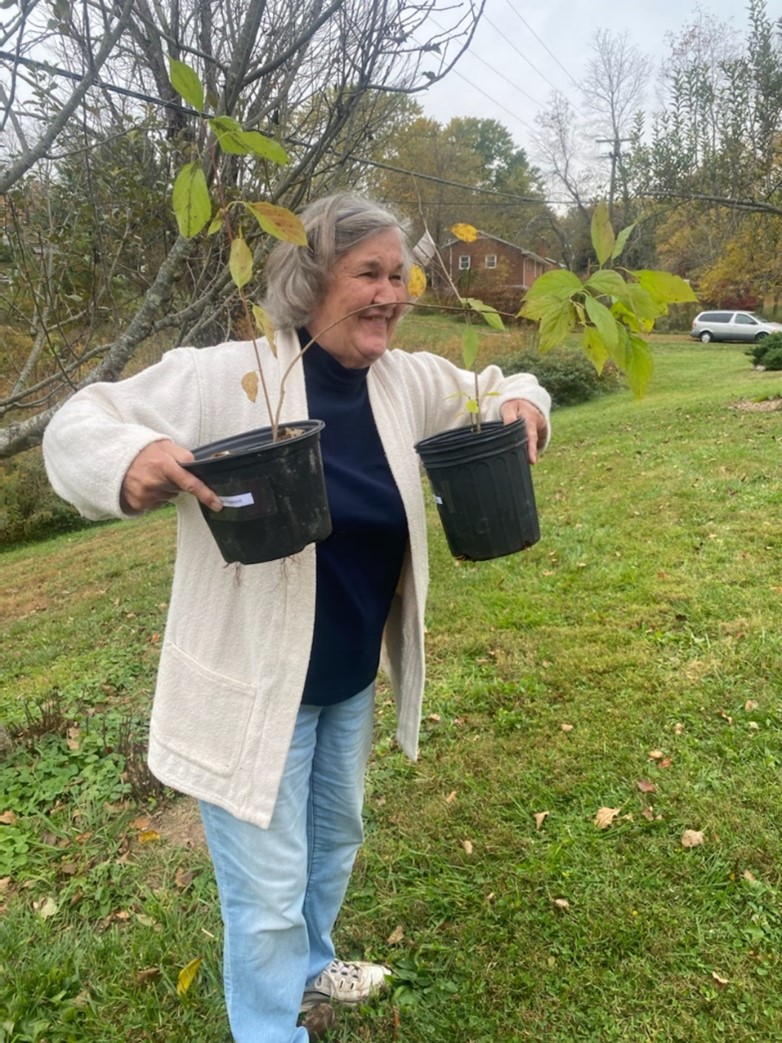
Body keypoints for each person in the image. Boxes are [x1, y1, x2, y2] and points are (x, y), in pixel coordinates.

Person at [43, 191, 551, 1042]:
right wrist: (129, 458)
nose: (391, 294)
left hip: (347, 679)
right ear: (311, 276)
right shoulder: (229, 376)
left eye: (400, 276)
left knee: (333, 844)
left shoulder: (402, 381)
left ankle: (317, 961)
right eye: (369, 273)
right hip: (253, 694)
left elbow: (500, 386)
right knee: (266, 894)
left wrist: (524, 403)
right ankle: (271, 1026)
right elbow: (77, 421)